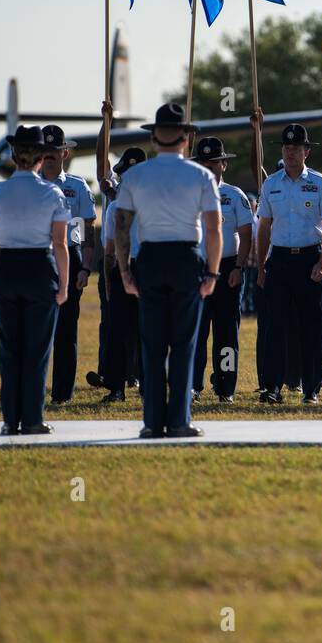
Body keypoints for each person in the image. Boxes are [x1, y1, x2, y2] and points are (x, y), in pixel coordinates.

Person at [114, 104, 221, 438]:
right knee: (184, 344)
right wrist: (213, 273)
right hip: (186, 258)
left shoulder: (134, 176)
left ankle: (152, 421)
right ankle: (178, 420)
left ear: (154, 136)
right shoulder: (201, 175)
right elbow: (214, 228)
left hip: (149, 257)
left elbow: (120, 228)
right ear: (186, 138)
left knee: (153, 343)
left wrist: (124, 271)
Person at [0, 125, 70, 436]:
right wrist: (65, 284)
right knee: (37, 350)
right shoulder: (52, 193)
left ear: (14, 156)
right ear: (42, 158)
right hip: (39, 270)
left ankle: (10, 419)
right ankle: (32, 418)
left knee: (9, 349)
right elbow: (60, 243)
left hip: (6, 270)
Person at [254, 122, 322, 405]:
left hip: (309, 260)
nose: (291, 153)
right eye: (286, 148)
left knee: (310, 328)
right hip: (278, 260)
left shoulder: (319, 183)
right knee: (274, 327)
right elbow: (264, 226)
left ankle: (311, 389)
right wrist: (262, 265)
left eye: (296, 148)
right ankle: (272, 387)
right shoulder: (271, 183)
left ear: (307, 152)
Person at [192, 135, 254, 404]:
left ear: (224, 165)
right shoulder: (188, 194)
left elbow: (246, 233)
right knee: (195, 332)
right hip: (197, 268)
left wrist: (240, 266)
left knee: (226, 332)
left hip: (228, 268)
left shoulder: (234, 195)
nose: (210, 168)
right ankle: (192, 385)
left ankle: (225, 387)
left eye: (214, 163)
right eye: (204, 163)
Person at [39, 125, 97, 405]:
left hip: (69, 259)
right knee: (33, 330)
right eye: (44, 150)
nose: (49, 155)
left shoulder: (76, 186)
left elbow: (87, 230)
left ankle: (62, 393)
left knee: (65, 331)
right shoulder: (27, 183)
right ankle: (33, 388)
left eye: (54, 150)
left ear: (65, 152)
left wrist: (86, 267)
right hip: (35, 257)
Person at [98, 146, 145, 403]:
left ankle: (149, 385)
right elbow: (108, 251)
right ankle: (116, 387)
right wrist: (108, 282)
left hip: (147, 268)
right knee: (117, 332)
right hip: (121, 268)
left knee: (149, 331)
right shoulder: (114, 207)